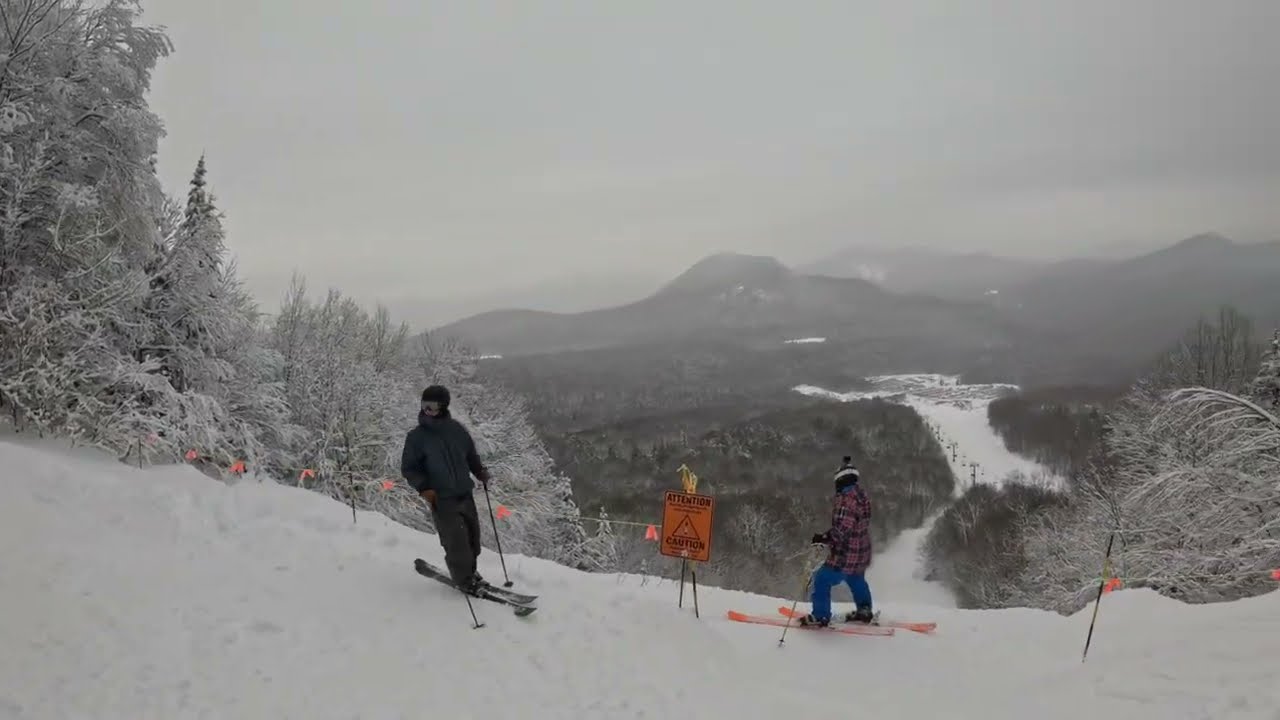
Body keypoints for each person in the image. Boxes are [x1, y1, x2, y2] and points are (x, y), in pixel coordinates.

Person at [400, 384, 492, 595]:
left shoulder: (457, 431)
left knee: (472, 540)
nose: (427, 410)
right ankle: (464, 579)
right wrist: (424, 488)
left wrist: (480, 472)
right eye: (424, 405)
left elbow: (470, 456)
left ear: (443, 406)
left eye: (432, 406)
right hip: (441, 498)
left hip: (464, 494)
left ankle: (470, 571)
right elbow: (409, 468)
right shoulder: (417, 437)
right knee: (456, 542)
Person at [800, 456, 875, 626]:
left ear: (840, 481)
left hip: (846, 553)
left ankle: (820, 616)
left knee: (822, 579)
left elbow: (842, 529)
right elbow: (858, 523)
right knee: (856, 579)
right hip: (861, 551)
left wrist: (824, 538)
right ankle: (865, 610)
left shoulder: (845, 500)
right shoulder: (862, 496)